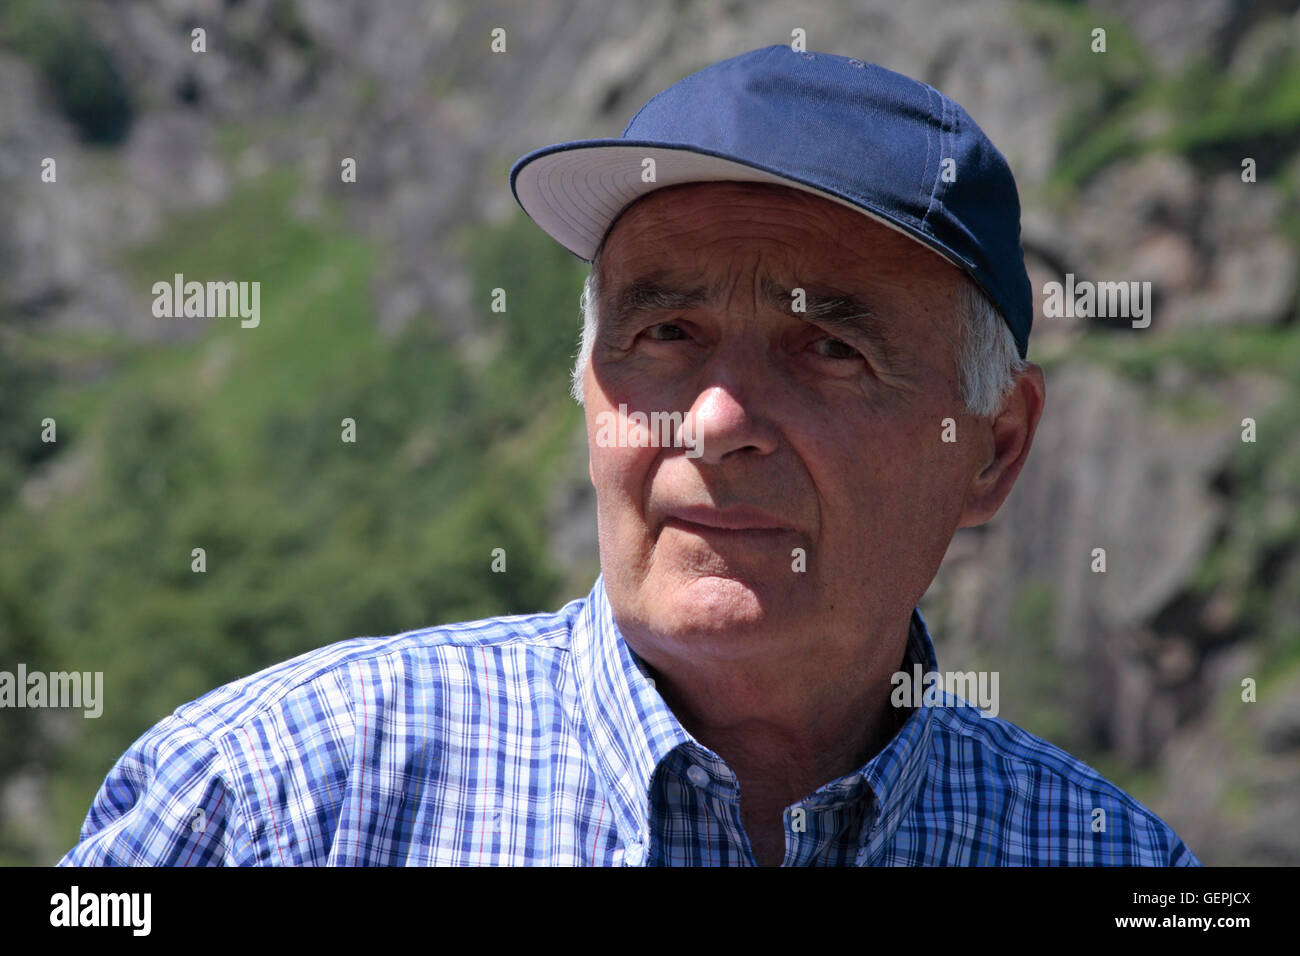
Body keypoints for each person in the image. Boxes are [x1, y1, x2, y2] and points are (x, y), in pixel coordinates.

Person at [60, 45, 1199, 866]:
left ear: (992, 450)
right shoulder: (282, 799)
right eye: (663, 335)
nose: (714, 420)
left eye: (830, 349)